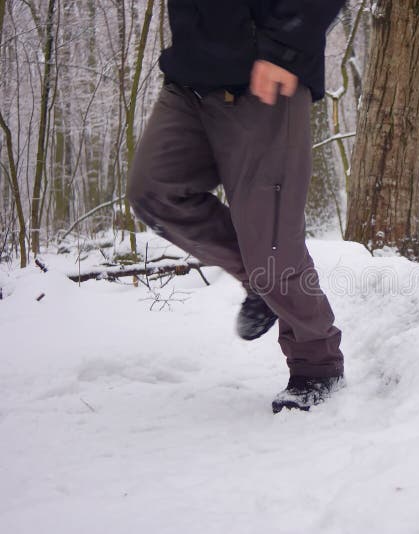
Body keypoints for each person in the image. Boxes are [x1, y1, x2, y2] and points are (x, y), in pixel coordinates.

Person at [127, 0, 346, 413]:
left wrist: (284, 48)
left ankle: (317, 365)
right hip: (188, 77)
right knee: (154, 190)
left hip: (267, 76)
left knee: (273, 245)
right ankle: (262, 283)